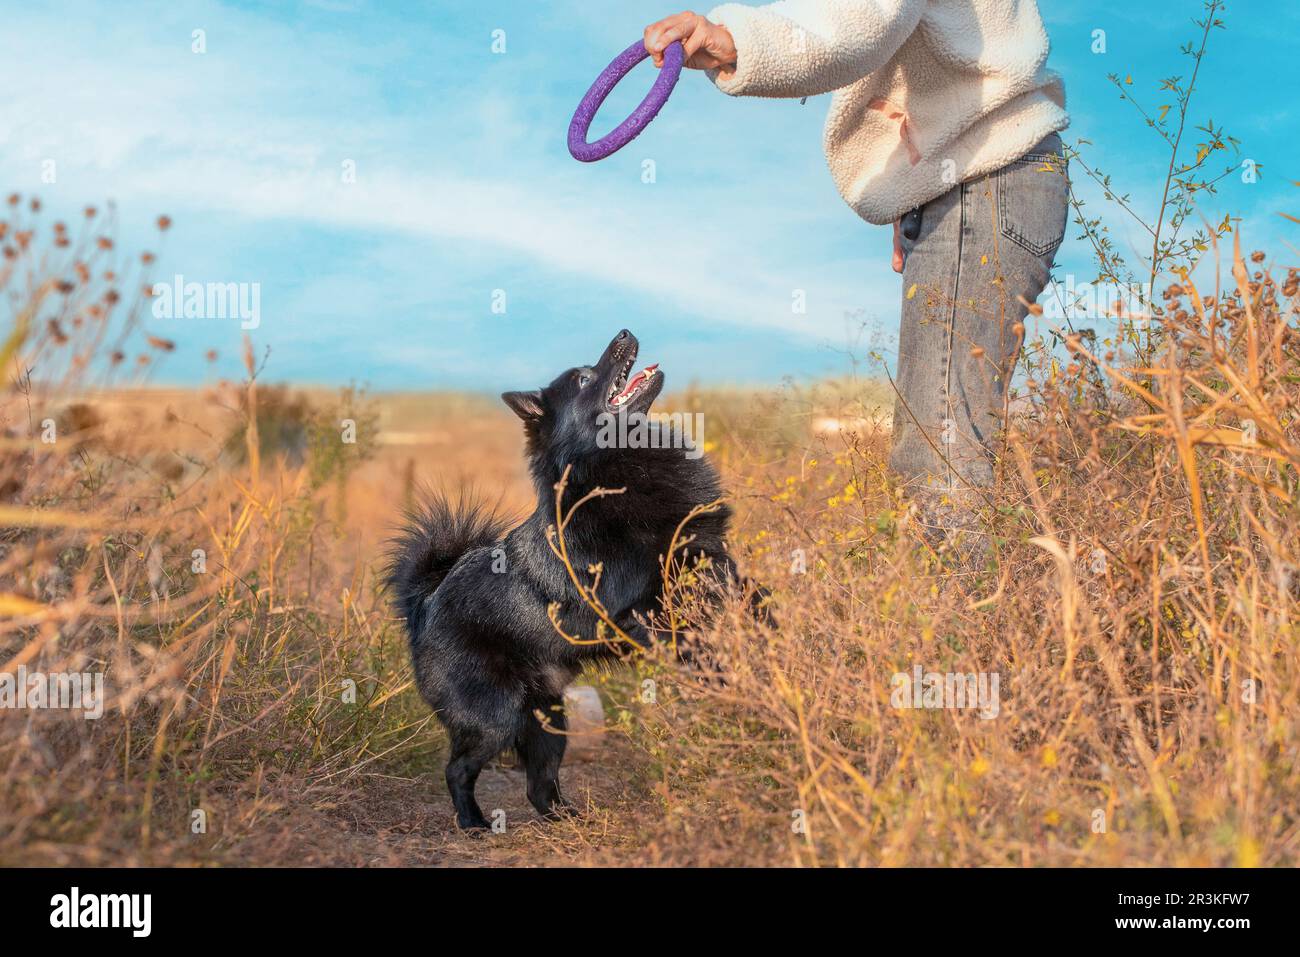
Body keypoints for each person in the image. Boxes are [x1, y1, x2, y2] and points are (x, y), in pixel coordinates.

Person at [643, 2, 1070, 560]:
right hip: (977, 182)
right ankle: (984, 627)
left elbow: (857, 28)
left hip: (983, 180)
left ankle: (970, 638)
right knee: (945, 438)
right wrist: (912, 187)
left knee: (940, 454)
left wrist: (731, 38)